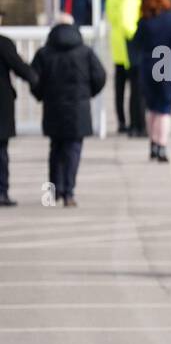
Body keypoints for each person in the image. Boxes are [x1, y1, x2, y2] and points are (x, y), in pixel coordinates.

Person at [30, 21, 106, 208]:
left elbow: (34, 79)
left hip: (53, 107)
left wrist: (41, 95)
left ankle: (52, 192)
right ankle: (68, 192)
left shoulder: (44, 53)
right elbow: (100, 76)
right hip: (78, 109)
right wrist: (88, 94)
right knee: (73, 150)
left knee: (55, 150)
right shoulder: (85, 52)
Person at [130, 0, 171, 163]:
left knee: (152, 109)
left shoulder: (144, 23)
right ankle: (161, 146)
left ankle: (152, 144)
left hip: (148, 68)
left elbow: (135, 46)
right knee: (165, 110)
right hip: (170, 68)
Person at [0, 26, 38, 206]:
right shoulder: (3, 43)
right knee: (0, 151)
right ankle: (1, 192)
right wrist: (37, 79)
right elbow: (20, 68)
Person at [104, 0, 143, 136]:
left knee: (119, 89)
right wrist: (135, 37)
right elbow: (128, 23)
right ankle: (134, 122)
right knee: (134, 90)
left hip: (116, 46)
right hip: (130, 47)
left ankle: (121, 121)